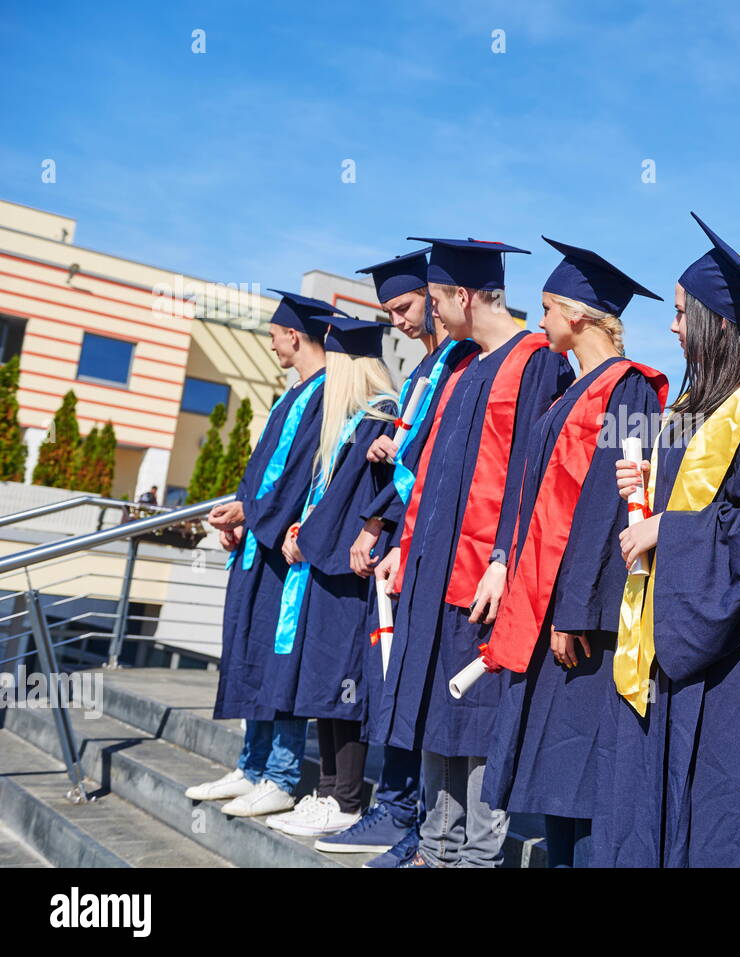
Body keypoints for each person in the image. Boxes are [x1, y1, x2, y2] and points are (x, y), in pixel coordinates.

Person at [595, 213, 740, 867]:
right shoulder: (695, 411)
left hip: (735, 663)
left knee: (719, 819)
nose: (674, 326)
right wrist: (649, 485)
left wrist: (666, 528)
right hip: (671, 646)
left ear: (714, 321)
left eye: (682, 313)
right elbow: (702, 499)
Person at [370, 237, 574, 868]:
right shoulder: (460, 364)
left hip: (485, 572)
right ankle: (435, 850)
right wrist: (404, 543)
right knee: (436, 710)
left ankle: (479, 858)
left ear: (462, 296)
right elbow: (428, 466)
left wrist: (504, 559)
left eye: (433, 299)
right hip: (434, 568)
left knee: (480, 716)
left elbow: (532, 475)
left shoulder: (535, 360)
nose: (429, 312)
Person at [479, 237, 668, 868]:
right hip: (544, 605)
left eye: (547, 308)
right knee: (554, 776)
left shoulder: (629, 390)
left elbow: (612, 507)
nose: (540, 322)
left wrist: (577, 611)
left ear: (579, 314)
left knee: (582, 777)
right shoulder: (569, 392)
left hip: (582, 623)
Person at [315, 249, 477, 866]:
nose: (401, 320)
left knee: (421, 682)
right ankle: (405, 807)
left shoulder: (463, 362)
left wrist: (379, 517)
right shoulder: (422, 372)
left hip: (438, 547)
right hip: (406, 537)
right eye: (390, 311)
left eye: (406, 306)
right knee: (399, 680)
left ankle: (415, 814)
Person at [187, 291, 345, 818]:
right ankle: (251, 766)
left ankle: (279, 774)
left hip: (287, 552)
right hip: (261, 545)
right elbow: (263, 474)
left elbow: (301, 477)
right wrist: (240, 513)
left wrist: (254, 516)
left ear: (294, 336)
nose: (272, 341)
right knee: (252, 654)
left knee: (280, 663)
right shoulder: (293, 393)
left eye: (275, 333)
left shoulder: (326, 394)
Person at [256, 314, 399, 838]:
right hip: (325, 562)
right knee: (324, 684)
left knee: (346, 687)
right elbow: (326, 495)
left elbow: (363, 499)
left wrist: (311, 538)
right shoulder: (353, 420)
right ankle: (327, 791)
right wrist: (301, 530)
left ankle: (347, 797)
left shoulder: (382, 416)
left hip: (351, 571)